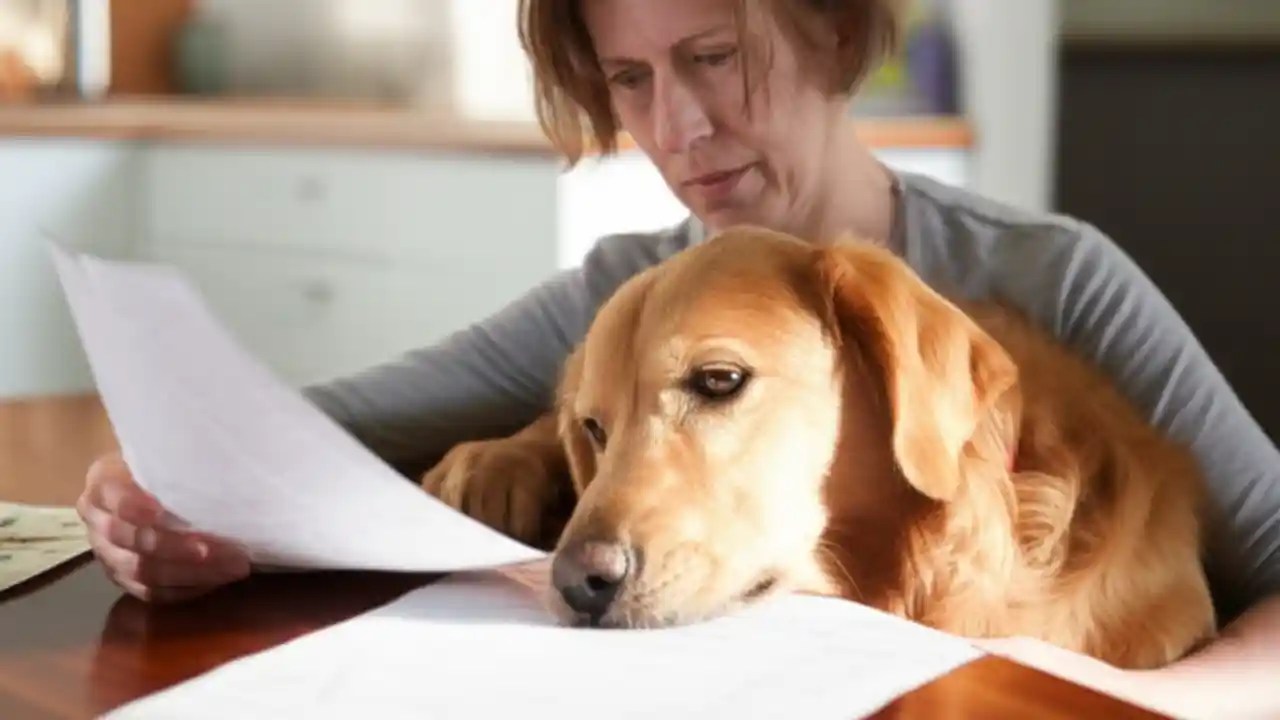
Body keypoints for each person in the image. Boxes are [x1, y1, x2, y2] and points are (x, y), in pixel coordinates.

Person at [76, 0, 1278, 716]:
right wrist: (154, 486)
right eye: (632, 79)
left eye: (711, 55)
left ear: (823, 26)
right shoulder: (623, 296)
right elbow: (298, 433)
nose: (676, 130)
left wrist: (1136, 705)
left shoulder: (1048, 280)